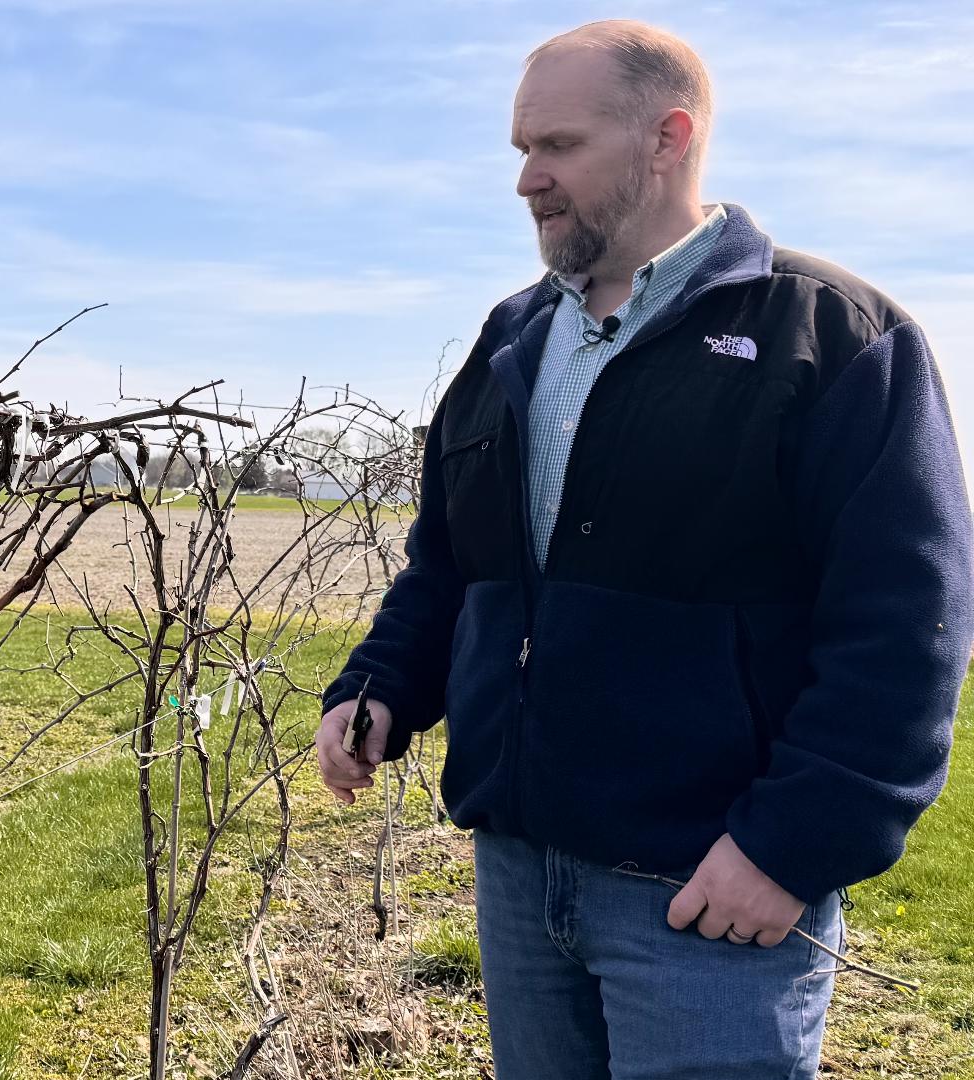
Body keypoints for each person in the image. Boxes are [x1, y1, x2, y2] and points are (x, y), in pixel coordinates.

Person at [314, 19, 973, 1079]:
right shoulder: (513, 338)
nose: (527, 179)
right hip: (518, 876)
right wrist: (380, 685)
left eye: (559, 146)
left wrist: (791, 846)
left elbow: (908, 627)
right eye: (521, 148)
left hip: (708, 895)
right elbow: (448, 565)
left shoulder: (830, 334)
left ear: (669, 137)